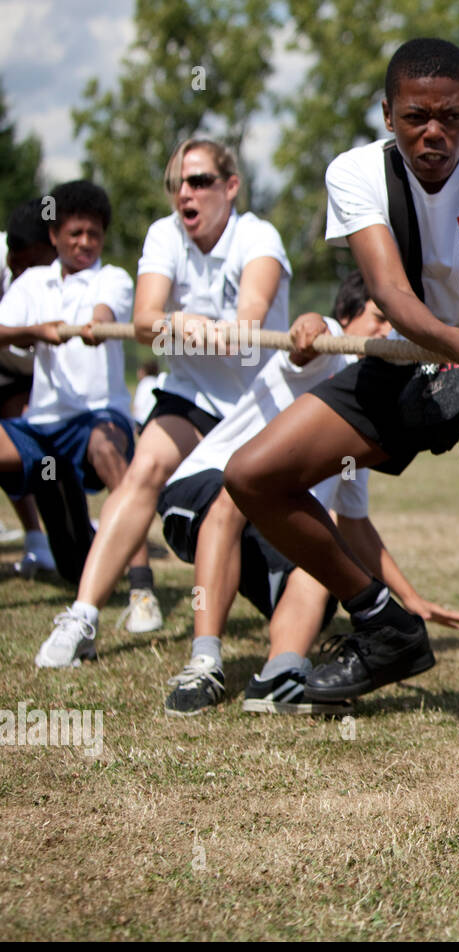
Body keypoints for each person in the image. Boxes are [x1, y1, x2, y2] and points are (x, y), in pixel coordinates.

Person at [225, 38, 459, 737]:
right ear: (388, 113)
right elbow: (391, 295)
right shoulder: (355, 172)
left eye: (452, 117)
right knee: (252, 475)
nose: (436, 133)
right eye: (417, 116)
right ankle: (382, 623)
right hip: (410, 351)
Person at [158, 270, 459, 716]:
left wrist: (410, 597)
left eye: (394, 326)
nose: (387, 333)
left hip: (267, 530)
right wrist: (312, 327)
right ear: (347, 314)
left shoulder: (362, 408)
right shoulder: (331, 350)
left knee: (324, 559)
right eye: (379, 319)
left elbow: (356, 525)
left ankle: (279, 676)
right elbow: (308, 333)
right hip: (198, 494)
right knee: (236, 486)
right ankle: (204, 662)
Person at [34, 137, 289, 667]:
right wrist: (186, 325)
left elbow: (250, 320)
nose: (185, 193)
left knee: (290, 528)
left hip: (260, 403)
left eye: (199, 181)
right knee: (143, 471)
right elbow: (148, 322)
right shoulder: (164, 236)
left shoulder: (257, 237)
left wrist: (212, 329)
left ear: (231, 187)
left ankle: (363, 608)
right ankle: (83, 615)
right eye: (178, 183)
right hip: (191, 392)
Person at [0, 181, 148, 616]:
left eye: (94, 234)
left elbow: (106, 311)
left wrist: (94, 325)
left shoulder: (113, 278)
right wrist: (36, 331)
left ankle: (142, 588)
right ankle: (59, 545)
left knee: (106, 449)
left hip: (99, 418)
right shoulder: (32, 283)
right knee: (73, 564)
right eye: (75, 233)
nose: (85, 243)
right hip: (43, 426)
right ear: (54, 236)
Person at [0, 198, 58, 564]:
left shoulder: (70, 276)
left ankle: (45, 537)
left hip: (33, 379)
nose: (21, 271)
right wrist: (28, 330)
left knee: (32, 451)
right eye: (15, 261)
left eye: (31, 262)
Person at [132, 359, 162, 431]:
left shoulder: (144, 383)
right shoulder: (159, 382)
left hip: (142, 421)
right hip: (156, 420)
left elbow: (138, 404)